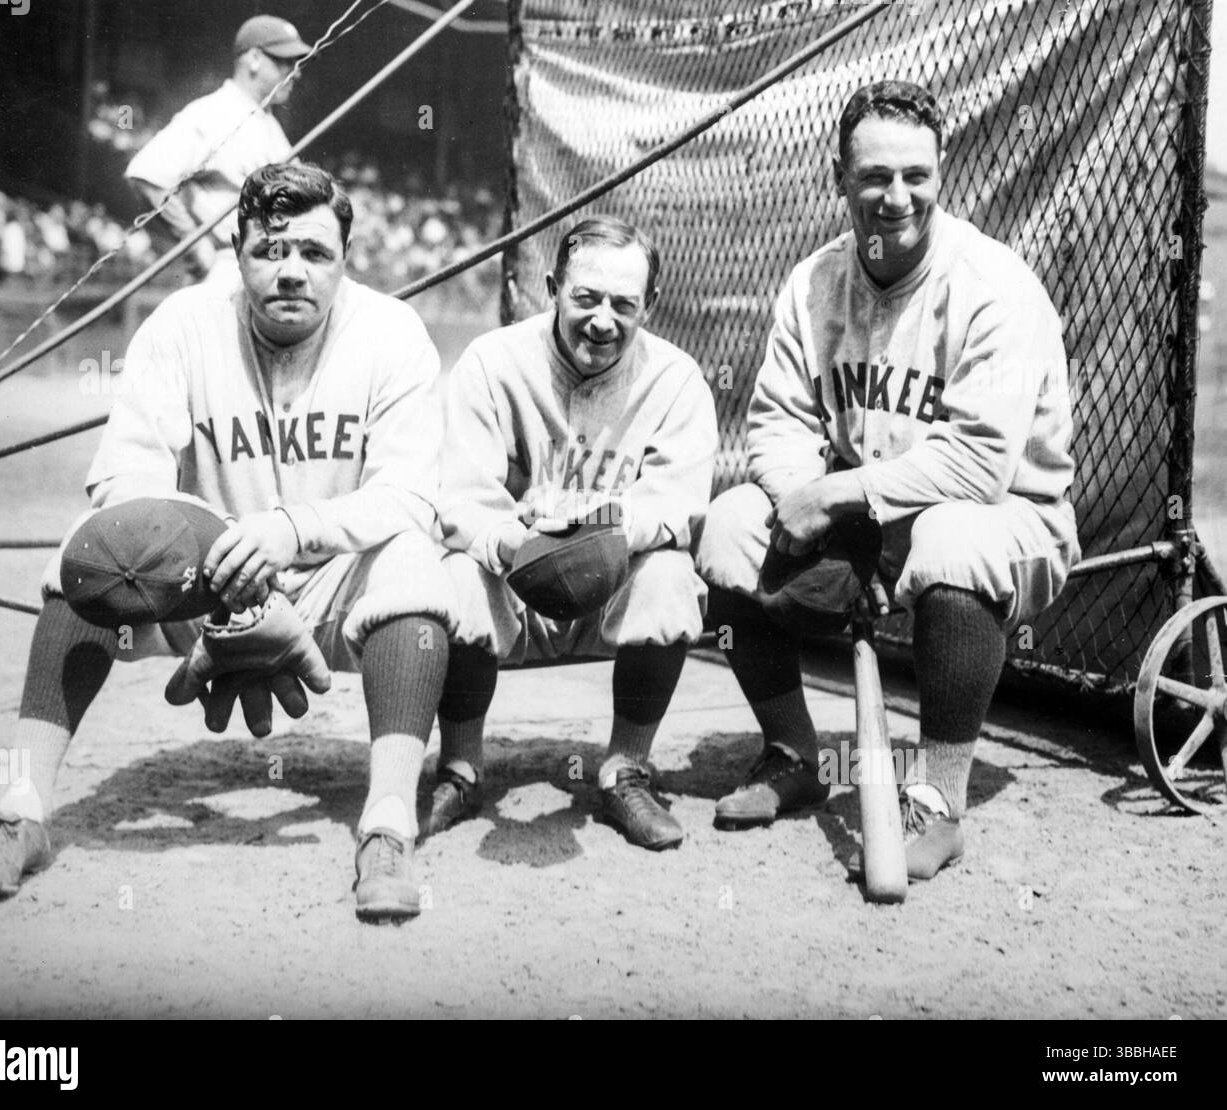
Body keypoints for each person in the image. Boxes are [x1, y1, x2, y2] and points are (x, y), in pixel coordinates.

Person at [0, 163, 455, 923]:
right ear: (237, 247)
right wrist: (223, 558)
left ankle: (388, 826)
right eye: (270, 249)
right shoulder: (183, 324)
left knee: (416, 561)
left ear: (347, 255)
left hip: (332, 579)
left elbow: (412, 493)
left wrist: (289, 531)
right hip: (206, 575)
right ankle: (20, 811)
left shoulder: (391, 332)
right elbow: (124, 481)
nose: (291, 271)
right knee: (84, 555)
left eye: (315, 254)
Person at [697, 81, 1080, 880]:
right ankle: (794, 754)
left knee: (947, 539)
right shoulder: (813, 283)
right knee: (731, 525)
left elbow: (979, 464)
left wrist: (838, 498)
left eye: (916, 175)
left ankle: (938, 803)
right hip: (865, 513)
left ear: (941, 176)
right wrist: (815, 508)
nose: (896, 196)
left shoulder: (993, 287)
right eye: (874, 176)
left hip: (1009, 518)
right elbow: (776, 423)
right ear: (840, 178)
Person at [430, 216, 719, 851]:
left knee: (670, 573)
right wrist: (516, 542)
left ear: (652, 305)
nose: (602, 320)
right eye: (585, 298)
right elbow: (458, 499)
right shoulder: (493, 361)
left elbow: (677, 503)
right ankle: (459, 767)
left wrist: (595, 530)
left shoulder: (675, 380)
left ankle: (626, 770)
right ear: (552, 286)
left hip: (609, 584)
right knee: (456, 574)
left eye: (624, 304)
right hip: (515, 583)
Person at [125, 15, 309, 285]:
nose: (297, 71)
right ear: (254, 59)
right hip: (232, 267)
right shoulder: (214, 112)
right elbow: (147, 174)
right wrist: (194, 244)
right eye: (285, 62)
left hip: (274, 263)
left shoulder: (267, 122)